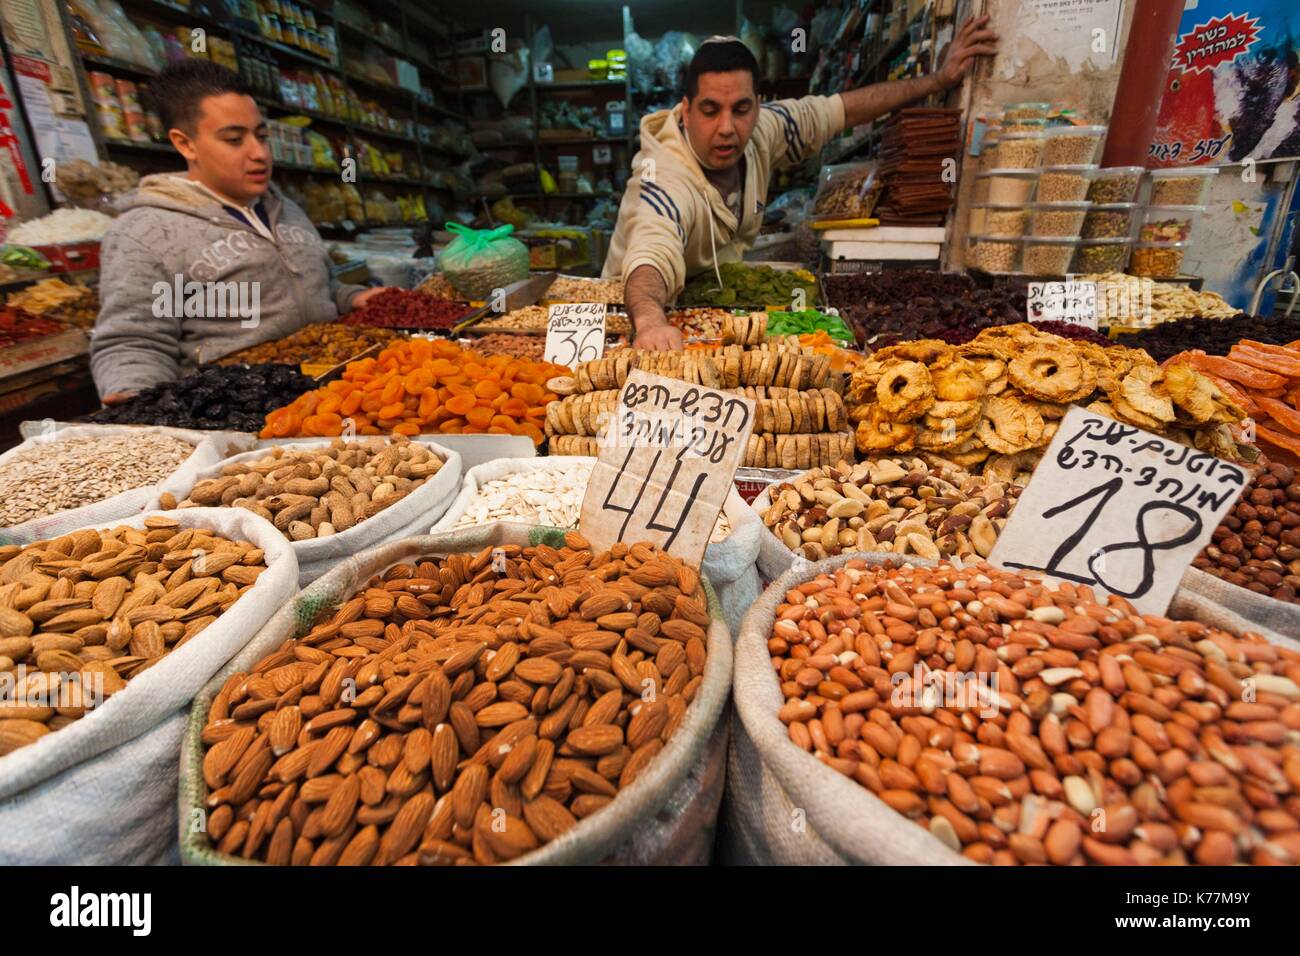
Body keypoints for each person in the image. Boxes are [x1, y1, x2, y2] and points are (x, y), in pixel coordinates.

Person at [604, 18, 999, 350]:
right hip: (635, 325)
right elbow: (650, 254)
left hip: (702, 311)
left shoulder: (763, 130)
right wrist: (651, 321)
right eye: (710, 110)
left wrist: (938, 79)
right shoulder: (665, 175)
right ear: (686, 111)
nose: (727, 128)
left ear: (758, 105)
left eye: (741, 109)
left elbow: (838, 110)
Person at [90, 60, 391, 402]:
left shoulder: (286, 209)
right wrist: (136, 403)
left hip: (338, 390)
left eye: (262, 136)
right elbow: (134, 339)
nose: (259, 153)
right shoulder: (144, 232)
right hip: (240, 410)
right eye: (235, 139)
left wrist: (350, 297)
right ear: (185, 144)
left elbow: (320, 285)